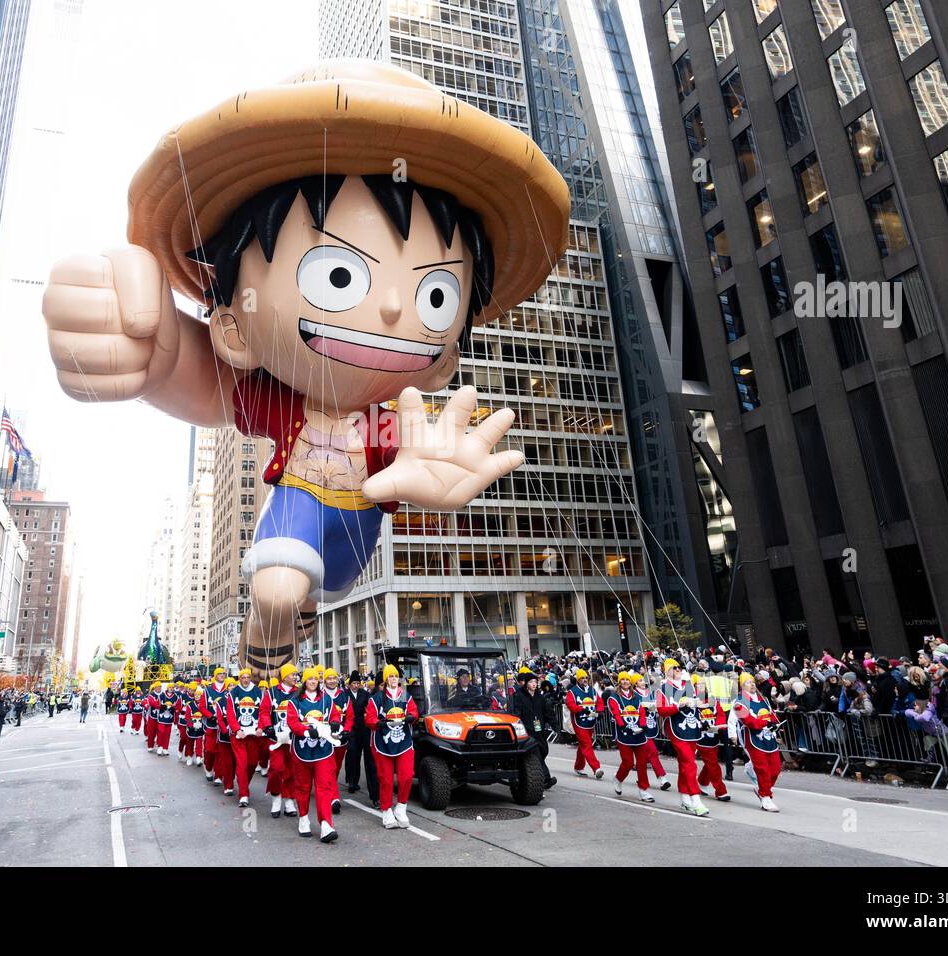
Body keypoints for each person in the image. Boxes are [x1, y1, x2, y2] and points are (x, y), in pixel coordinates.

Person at [40, 61, 569, 678]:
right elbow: (206, 382)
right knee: (276, 589)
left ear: (444, 361)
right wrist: (154, 347)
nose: (391, 307)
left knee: (310, 584)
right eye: (338, 275)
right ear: (233, 328)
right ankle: (269, 644)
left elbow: (408, 455)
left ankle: (304, 607)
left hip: (360, 525)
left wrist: (426, 472)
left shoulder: (388, 421)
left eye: (435, 295)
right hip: (297, 503)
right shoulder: (279, 398)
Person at [284, 666, 344, 843]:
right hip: (302, 750)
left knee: (324, 786)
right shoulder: (295, 701)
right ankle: (303, 818)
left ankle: (326, 824)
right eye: (310, 679)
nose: (313, 682)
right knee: (303, 786)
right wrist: (306, 732)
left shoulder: (326, 699)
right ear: (305, 681)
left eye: (315, 679)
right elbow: (292, 722)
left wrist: (335, 723)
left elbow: (335, 715)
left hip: (323, 750)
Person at [362, 663, 419, 829]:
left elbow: (414, 712)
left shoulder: (405, 696)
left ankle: (401, 808)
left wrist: (411, 717)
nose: (393, 679)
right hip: (382, 743)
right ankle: (386, 810)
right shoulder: (377, 698)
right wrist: (378, 723)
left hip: (404, 742)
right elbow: (369, 718)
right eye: (390, 676)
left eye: (395, 676)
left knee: (407, 776)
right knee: (385, 779)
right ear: (386, 679)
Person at [656, 659, 710, 816]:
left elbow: (703, 702)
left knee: (684, 763)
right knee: (689, 763)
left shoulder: (688, 684)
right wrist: (679, 706)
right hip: (677, 728)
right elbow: (661, 710)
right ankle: (696, 800)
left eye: (680, 667)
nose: (679, 669)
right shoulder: (662, 688)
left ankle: (685, 798)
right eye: (675, 668)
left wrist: (700, 700)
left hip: (692, 728)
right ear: (667, 671)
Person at [732, 673, 781, 812]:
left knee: (776, 768)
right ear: (742, 686)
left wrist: (775, 724)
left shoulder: (763, 699)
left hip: (768, 737)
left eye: (753, 682)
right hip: (753, 739)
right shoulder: (739, 702)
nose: (752, 684)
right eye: (748, 682)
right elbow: (748, 720)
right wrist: (765, 723)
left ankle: (762, 789)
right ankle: (765, 797)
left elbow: (771, 715)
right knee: (762, 769)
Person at [606, 671, 655, 803]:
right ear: (619, 682)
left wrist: (643, 725)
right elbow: (616, 713)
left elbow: (641, 712)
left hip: (639, 733)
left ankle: (643, 790)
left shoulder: (636, 697)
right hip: (624, 734)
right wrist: (622, 726)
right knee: (628, 763)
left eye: (627, 679)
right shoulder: (614, 697)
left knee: (642, 763)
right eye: (623, 679)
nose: (625, 682)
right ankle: (618, 779)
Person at [260, 663, 301, 819]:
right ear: (284, 677)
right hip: (275, 738)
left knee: (291, 769)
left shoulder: (299, 692)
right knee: (276, 768)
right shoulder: (271, 692)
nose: (295, 677)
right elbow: (264, 712)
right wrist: (268, 727)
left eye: (296, 674)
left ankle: (289, 800)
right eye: (292, 674)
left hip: (293, 738)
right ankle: (276, 797)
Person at [509, 668, 557, 790]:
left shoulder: (539, 697)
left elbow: (548, 712)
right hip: (526, 732)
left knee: (543, 751)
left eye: (535, 682)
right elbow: (516, 713)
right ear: (526, 683)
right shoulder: (518, 695)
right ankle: (545, 778)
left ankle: (536, 776)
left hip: (539, 730)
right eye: (531, 682)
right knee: (535, 754)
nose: (534, 684)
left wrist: (555, 726)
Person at [225, 669, 267, 807]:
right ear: (239, 678)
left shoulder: (258, 692)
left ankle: (243, 784)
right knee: (242, 764)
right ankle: (243, 795)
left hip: (254, 734)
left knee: (252, 763)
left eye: (248, 677)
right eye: (243, 677)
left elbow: (263, 711)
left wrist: (261, 727)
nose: (245, 679)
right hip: (238, 735)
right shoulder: (233, 693)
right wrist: (237, 729)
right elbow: (230, 714)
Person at [341, 671, 379, 807]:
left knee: (367, 755)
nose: (356, 685)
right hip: (351, 728)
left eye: (358, 683)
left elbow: (370, 707)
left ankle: (372, 790)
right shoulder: (345, 694)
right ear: (349, 684)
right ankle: (352, 781)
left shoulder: (365, 694)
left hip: (364, 728)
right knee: (352, 753)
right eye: (353, 683)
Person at [566, 669, 602, 779]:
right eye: (582, 678)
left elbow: (599, 702)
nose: (585, 680)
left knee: (584, 744)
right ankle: (596, 768)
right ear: (578, 679)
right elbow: (570, 704)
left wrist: (600, 711)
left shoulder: (592, 690)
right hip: (579, 722)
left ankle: (578, 766)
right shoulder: (572, 691)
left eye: (586, 678)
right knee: (587, 744)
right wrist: (581, 710)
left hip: (590, 721)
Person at [322, 667, 349, 812]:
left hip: (340, 739)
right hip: (325, 739)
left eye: (334, 678)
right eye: (329, 678)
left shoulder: (344, 696)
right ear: (324, 680)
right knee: (330, 767)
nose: (332, 681)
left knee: (336, 767)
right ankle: (334, 798)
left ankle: (328, 787)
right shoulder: (320, 695)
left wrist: (346, 730)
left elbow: (350, 716)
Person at [180, 683, 206, 765]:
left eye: (199, 695)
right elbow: (187, 716)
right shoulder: (190, 705)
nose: (197, 696)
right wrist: (191, 725)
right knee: (190, 743)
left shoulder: (204, 705)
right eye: (196, 695)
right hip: (191, 726)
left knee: (199, 743)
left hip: (200, 727)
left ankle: (199, 757)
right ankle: (189, 757)